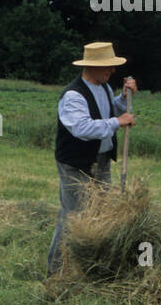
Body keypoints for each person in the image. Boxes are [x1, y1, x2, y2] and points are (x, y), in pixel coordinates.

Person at [46, 42, 138, 275]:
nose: (112, 71)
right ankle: (57, 273)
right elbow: (84, 128)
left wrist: (122, 99)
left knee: (99, 213)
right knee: (73, 216)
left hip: (102, 161)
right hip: (76, 165)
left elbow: (107, 112)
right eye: (107, 66)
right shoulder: (73, 95)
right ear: (91, 67)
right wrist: (119, 122)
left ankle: (89, 266)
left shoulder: (104, 87)